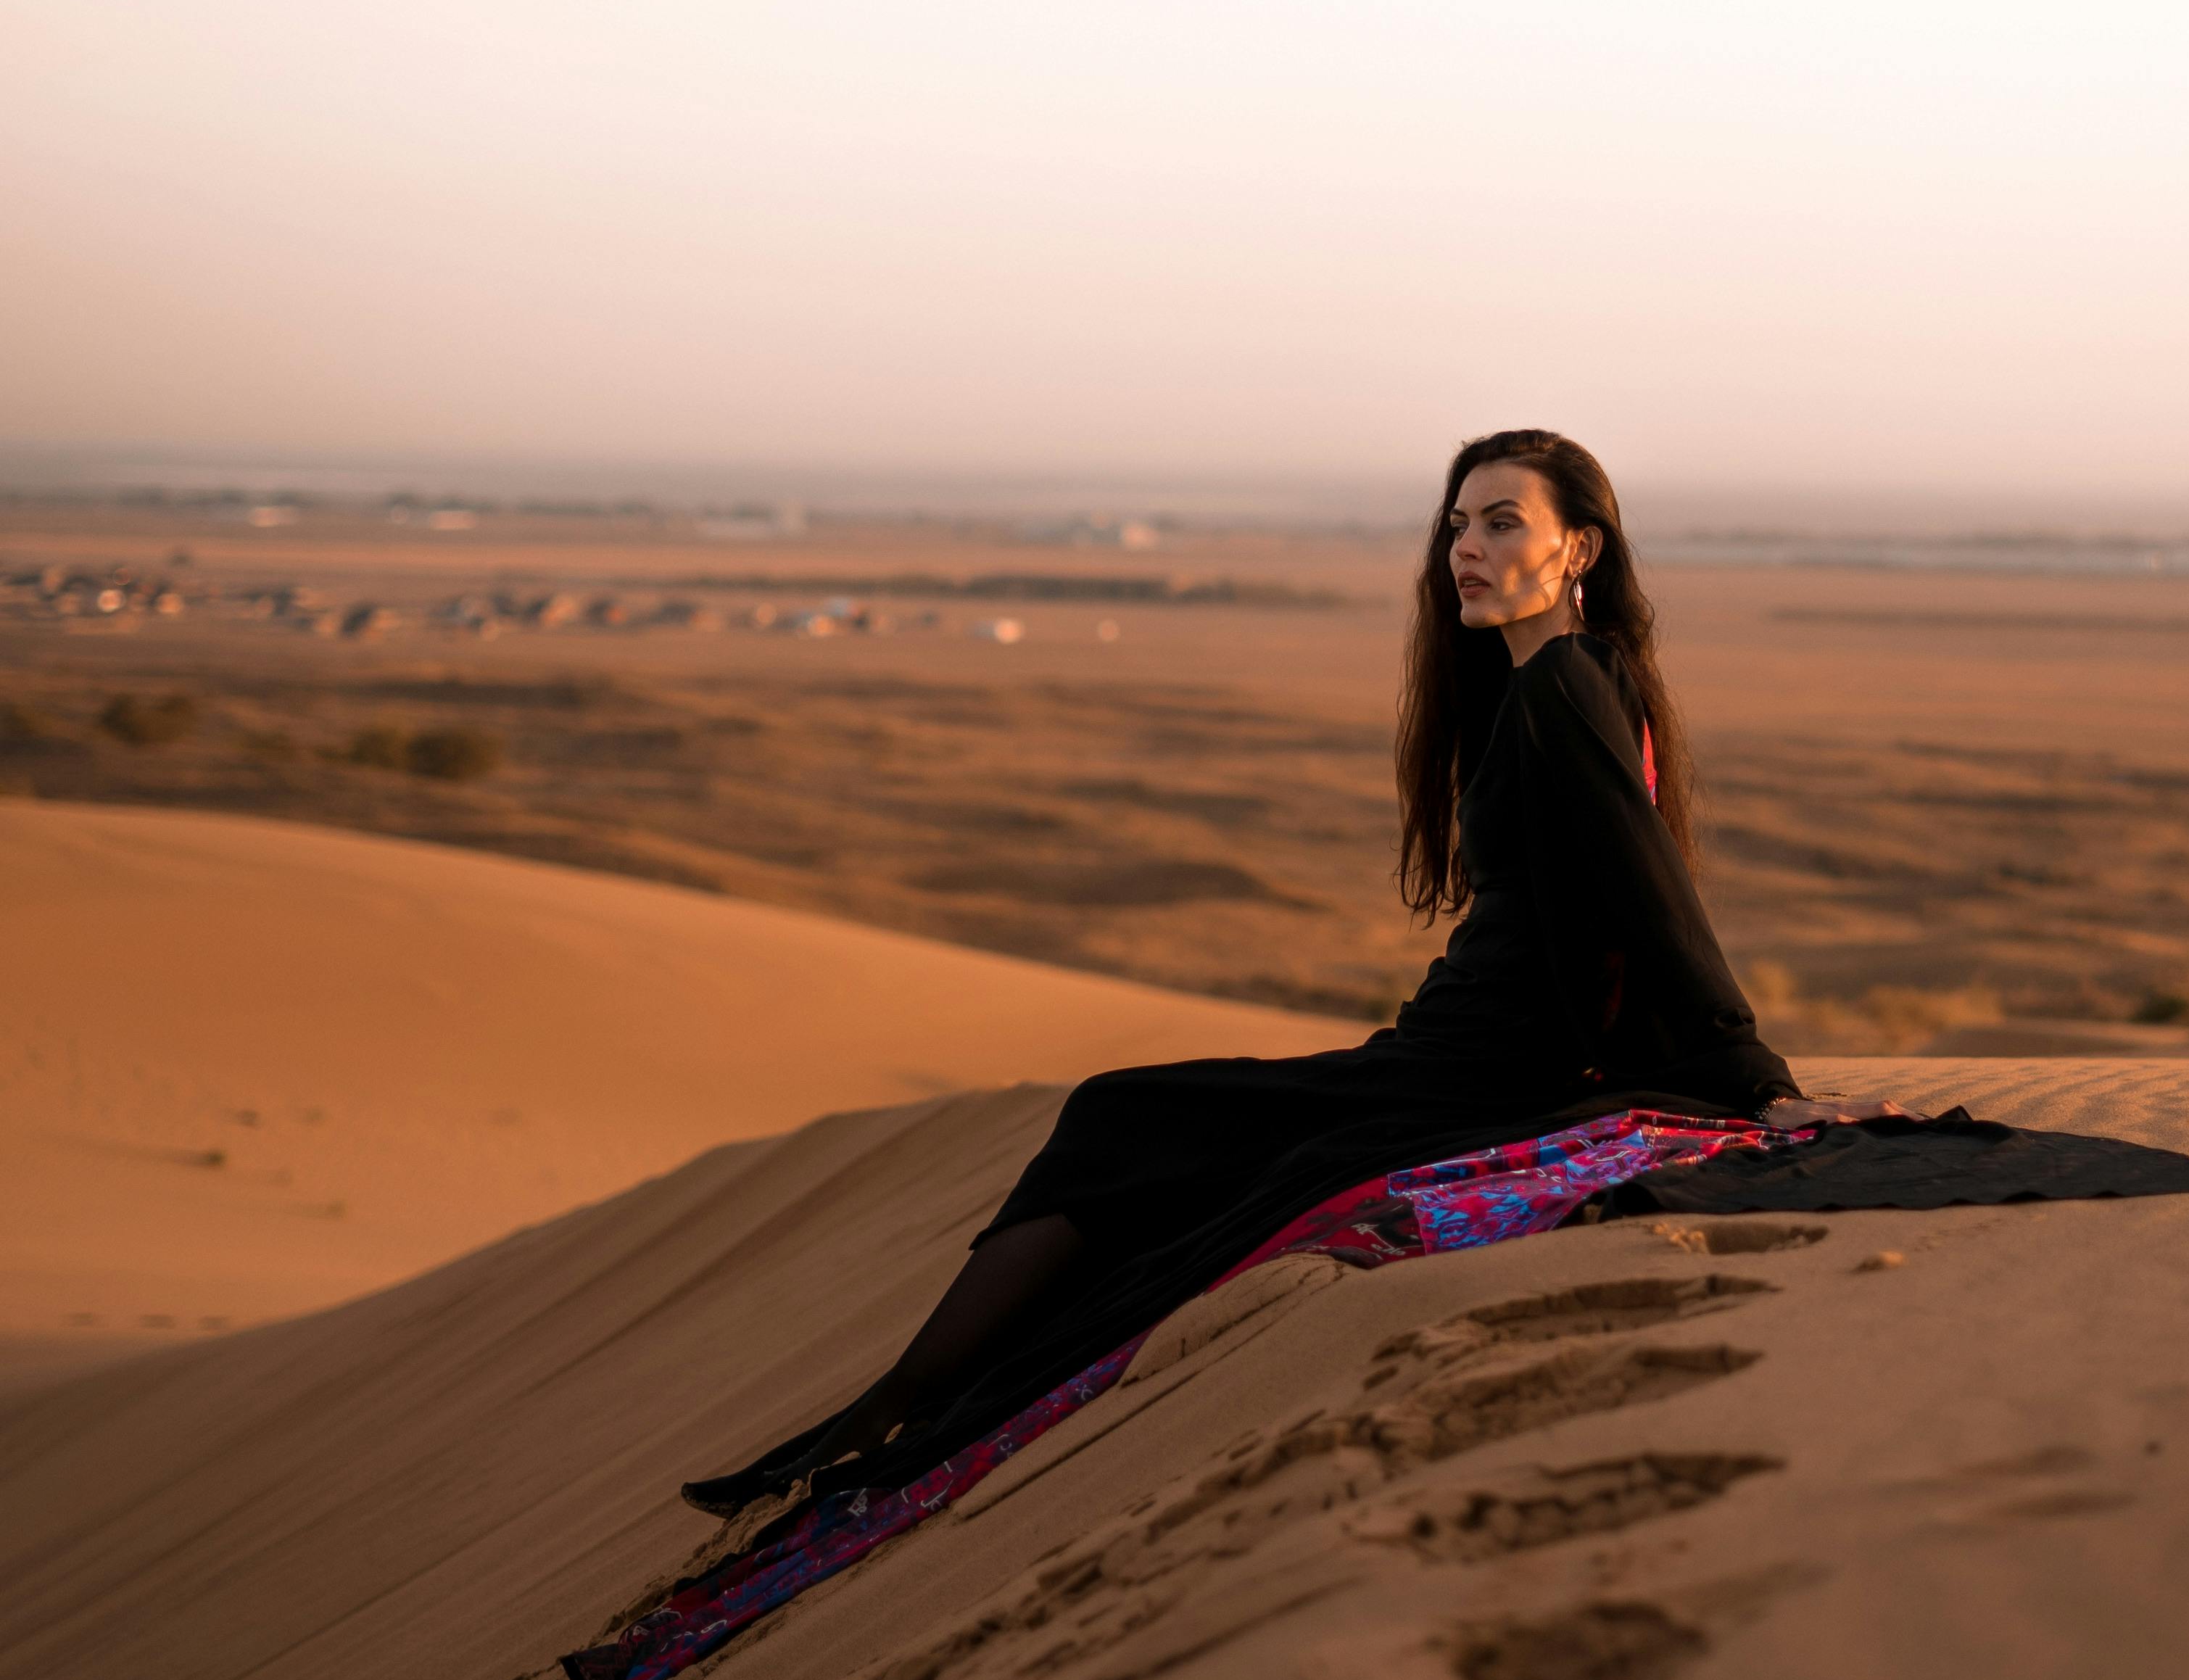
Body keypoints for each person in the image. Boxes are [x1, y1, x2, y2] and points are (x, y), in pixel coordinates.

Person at [680, 427, 1806, 1516]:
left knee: (1124, 1116)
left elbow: (1648, 888)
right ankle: (901, 1409)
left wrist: (1750, 1070)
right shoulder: (1547, 685)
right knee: (1163, 1142)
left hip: (1480, 1069)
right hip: (1446, 1050)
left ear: (1581, 550)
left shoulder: (1565, 683)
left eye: (1502, 521)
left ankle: (900, 1411)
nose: (1465, 546)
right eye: (1455, 523)